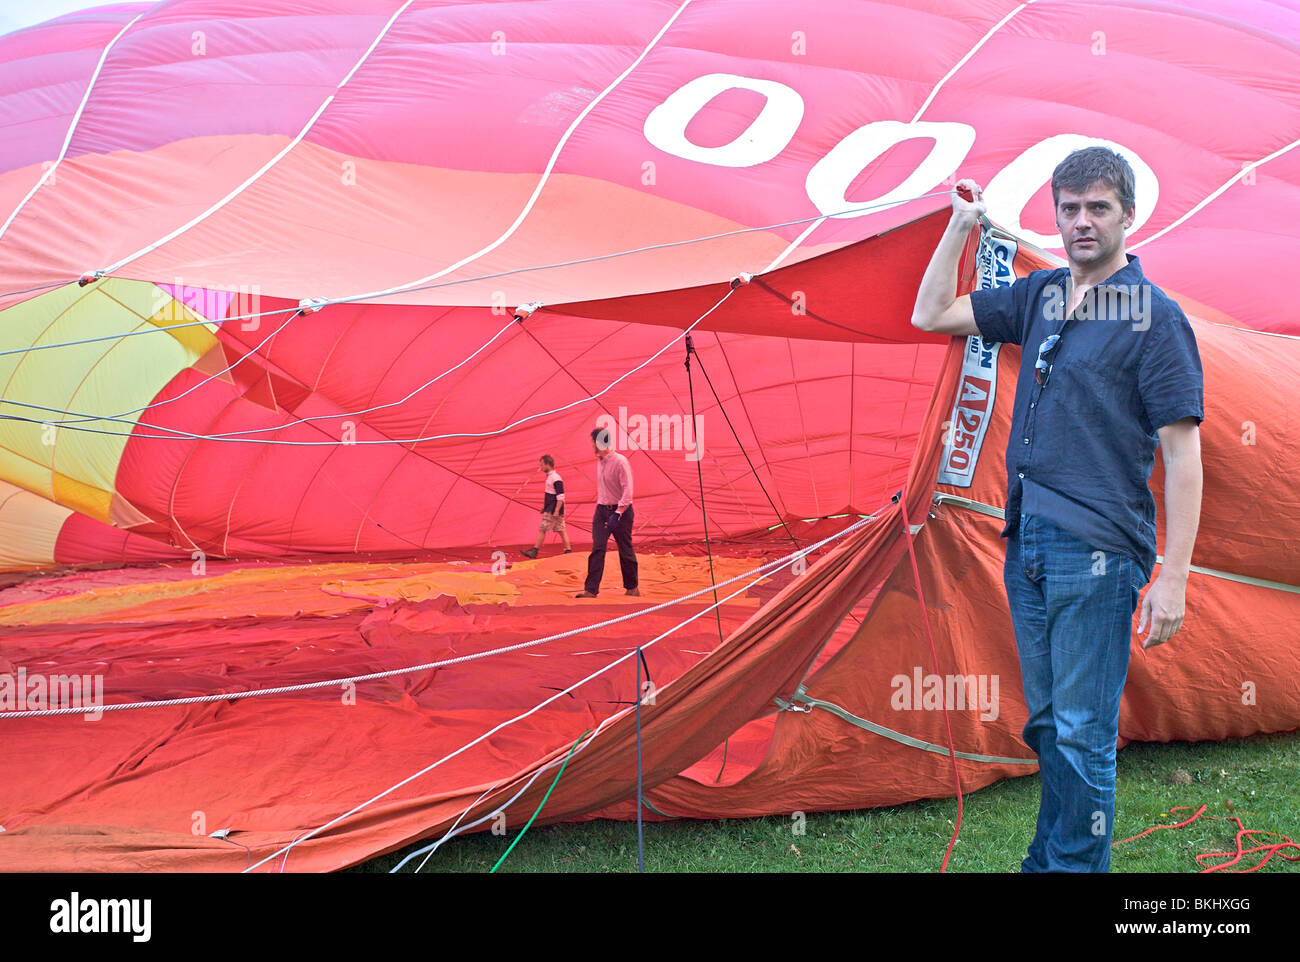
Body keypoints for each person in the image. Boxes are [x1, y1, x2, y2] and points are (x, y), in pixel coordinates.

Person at [911, 146, 1204, 872]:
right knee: (1049, 726)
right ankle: (1050, 862)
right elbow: (932, 313)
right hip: (1028, 540)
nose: (1081, 222)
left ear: (1128, 217)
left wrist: (1175, 578)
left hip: (1098, 550)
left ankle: (1072, 867)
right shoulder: (1040, 296)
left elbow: (1183, 456)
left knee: (1081, 731)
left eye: (1098, 208)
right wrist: (961, 227)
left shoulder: (1154, 318)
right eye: (1068, 208)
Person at [575, 427, 640, 598]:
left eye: (592, 443)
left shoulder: (620, 462)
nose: (591, 447)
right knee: (598, 548)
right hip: (602, 510)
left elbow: (628, 491)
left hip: (621, 512)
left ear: (598, 443)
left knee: (625, 549)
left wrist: (618, 513)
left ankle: (632, 587)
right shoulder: (600, 461)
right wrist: (603, 511)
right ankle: (590, 590)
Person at [521, 454, 571, 558]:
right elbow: (550, 494)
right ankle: (568, 550)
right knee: (561, 530)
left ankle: (534, 551)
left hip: (553, 510)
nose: (541, 467)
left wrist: (556, 510)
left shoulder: (556, 478)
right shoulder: (550, 477)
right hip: (552, 508)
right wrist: (545, 507)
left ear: (548, 464)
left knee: (542, 529)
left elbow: (560, 496)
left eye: (542, 464)